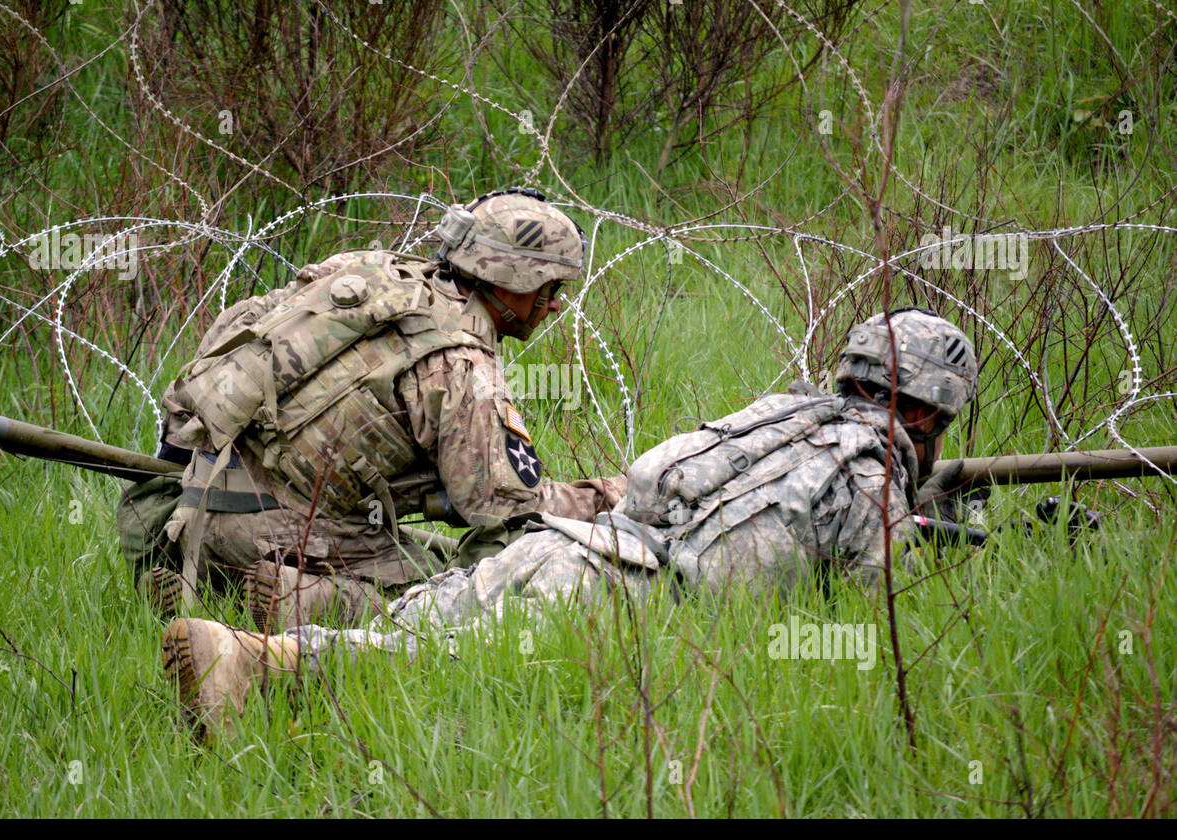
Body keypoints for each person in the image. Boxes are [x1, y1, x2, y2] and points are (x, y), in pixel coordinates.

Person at [160, 307, 980, 739]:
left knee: (429, 614)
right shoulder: (868, 478)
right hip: (626, 598)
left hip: (567, 545)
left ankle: (293, 605)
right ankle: (246, 660)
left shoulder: (773, 414)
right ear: (929, 415)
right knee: (429, 663)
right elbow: (883, 612)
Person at [118, 189, 626, 632]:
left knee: (405, 539)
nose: (555, 304)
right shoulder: (461, 365)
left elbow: (231, 338)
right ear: (515, 282)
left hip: (189, 503)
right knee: (450, 582)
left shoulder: (363, 274)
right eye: (551, 288)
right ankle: (303, 600)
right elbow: (511, 510)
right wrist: (609, 496)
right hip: (275, 537)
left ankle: (194, 580)